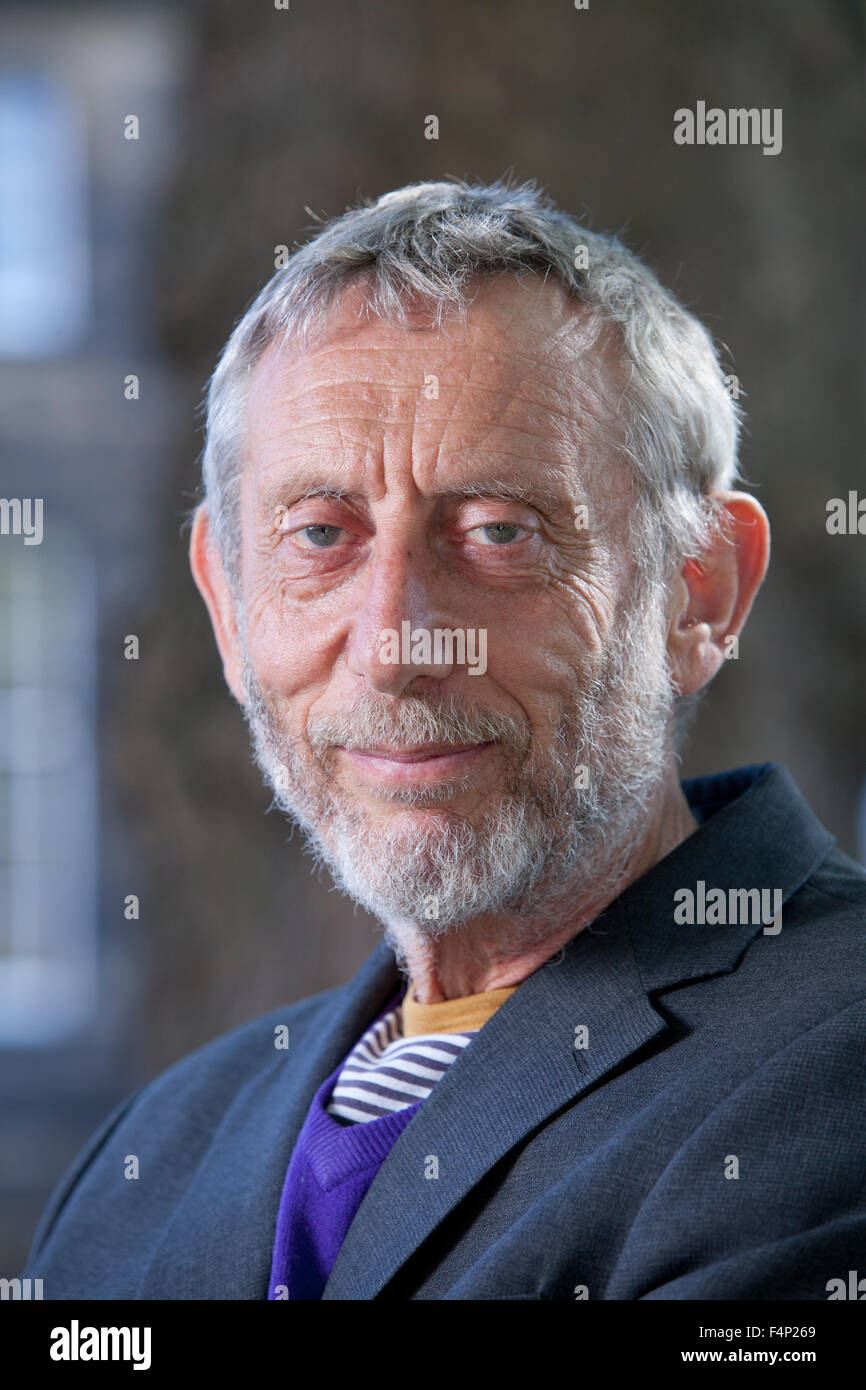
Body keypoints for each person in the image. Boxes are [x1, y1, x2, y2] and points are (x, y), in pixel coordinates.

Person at [24, 178, 866, 1300]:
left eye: (498, 532)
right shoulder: (148, 1161)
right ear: (227, 609)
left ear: (698, 591)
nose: (394, 645)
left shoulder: (834, 1061)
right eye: (319, 534)